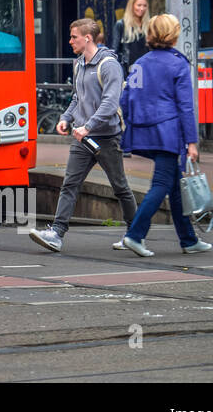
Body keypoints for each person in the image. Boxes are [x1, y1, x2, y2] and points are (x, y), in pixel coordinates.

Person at [29, 18, 137, 254]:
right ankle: (56, 233)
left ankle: (135, 234)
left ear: (87, 38)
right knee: (70, 183)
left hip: (105, 137)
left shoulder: (109, 65)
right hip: (82, 138)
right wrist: (66, 118)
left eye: (74, 37)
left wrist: (88, 126)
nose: (70, 41)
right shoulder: (79, 64)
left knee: (120, 187)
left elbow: (110, 103)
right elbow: (77, 98)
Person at [119, 13, 211, 256]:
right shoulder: (178, 63)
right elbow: (185, 106)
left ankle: (189, 240)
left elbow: (126, 99)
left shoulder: (139, 63)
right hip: (168, 133)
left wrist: (133, 123)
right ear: (173, 34)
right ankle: (135, 234)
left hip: (143, 131)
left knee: (175, 186)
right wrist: (192, 141)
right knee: (161, 184)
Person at [110, 0, 151, 76]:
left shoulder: (149, 25)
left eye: (144, 6)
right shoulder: (121, 25)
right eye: (139, 5)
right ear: (132, 6)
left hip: (146, 69)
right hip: (129, 71)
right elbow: (115, 51)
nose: (142, 8)